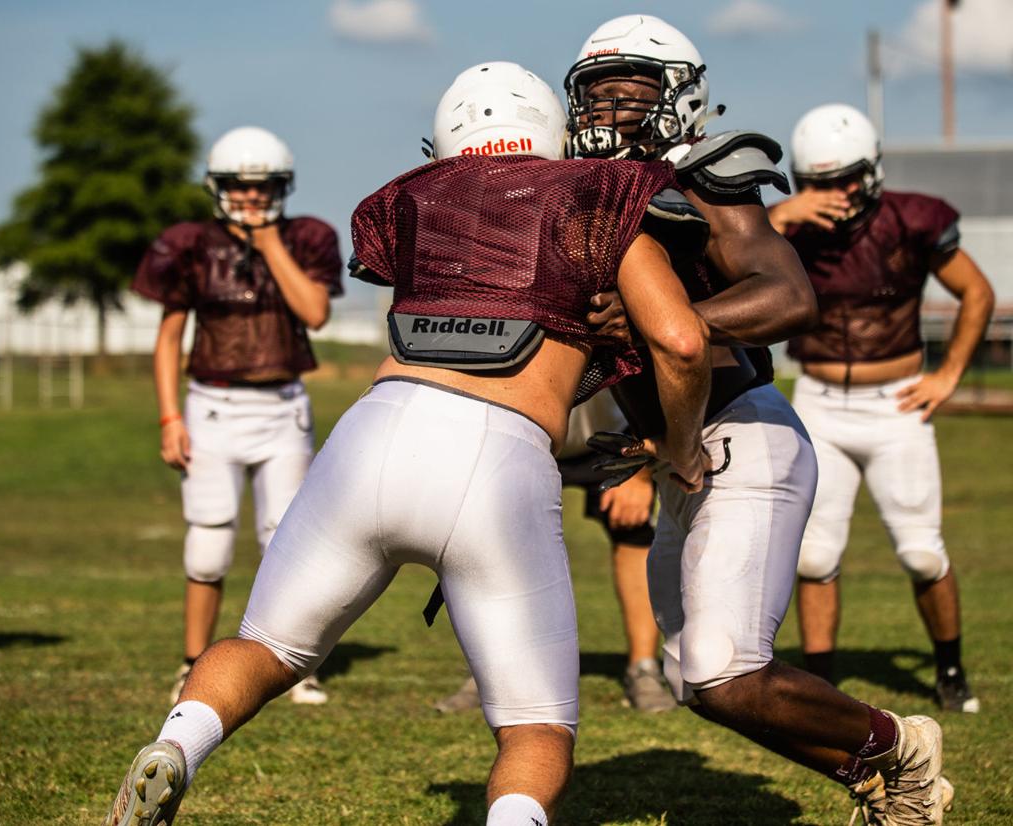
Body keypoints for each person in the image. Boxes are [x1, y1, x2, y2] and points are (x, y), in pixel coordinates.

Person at [104, 61, 713, 826]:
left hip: (374, 433)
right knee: (536, 725)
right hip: (497, 453)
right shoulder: (596, 196)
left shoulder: (418, 200)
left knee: (265, 647)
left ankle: (177, 746)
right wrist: (681, 447)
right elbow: (683, 343)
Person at [567, 16, 953, 824]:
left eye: (629, 88)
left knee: (721, 666)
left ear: (679, 94)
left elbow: (790, 296)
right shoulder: (583, 191)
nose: (609, 106)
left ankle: (901, 744)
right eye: (595, 90)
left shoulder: (701, 176)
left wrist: (667, 323)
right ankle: (877, 776)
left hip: (743, 431)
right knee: (698, 681)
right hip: (679, 447)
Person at [768, 103, 994, 713]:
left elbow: (977, 292)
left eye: (841, 179)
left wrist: (947, 375)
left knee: (922, 552)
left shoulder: (913, 220)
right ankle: (821, 681)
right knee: (815, 555)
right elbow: (726, 266)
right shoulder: (788, 229)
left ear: (869, 174)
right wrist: (778, 217)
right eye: (815, 182)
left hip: (896, 404)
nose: (831, 194)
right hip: (817, 401)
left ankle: (950, 669)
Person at [132, 126, 342, 707]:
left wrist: (271, 244)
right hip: (212, 407)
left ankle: (289, 660)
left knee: (286, 539)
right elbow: (169, 338)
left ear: (282, 188)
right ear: (217, 188)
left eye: (262, 187)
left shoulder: (305, 238)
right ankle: (191, 662)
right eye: (239, 188)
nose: (251, 198)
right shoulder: (190, 243)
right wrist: (169, 417)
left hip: (281, 407)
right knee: (208, 542)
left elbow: (316, 313)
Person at [434, 393, 675, 715]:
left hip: (616, 438)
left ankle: (644, 669)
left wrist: (640, 470)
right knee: (500, 544)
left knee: (634, 535)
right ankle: (491, 672)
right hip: (525, 437)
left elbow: (657, 380)